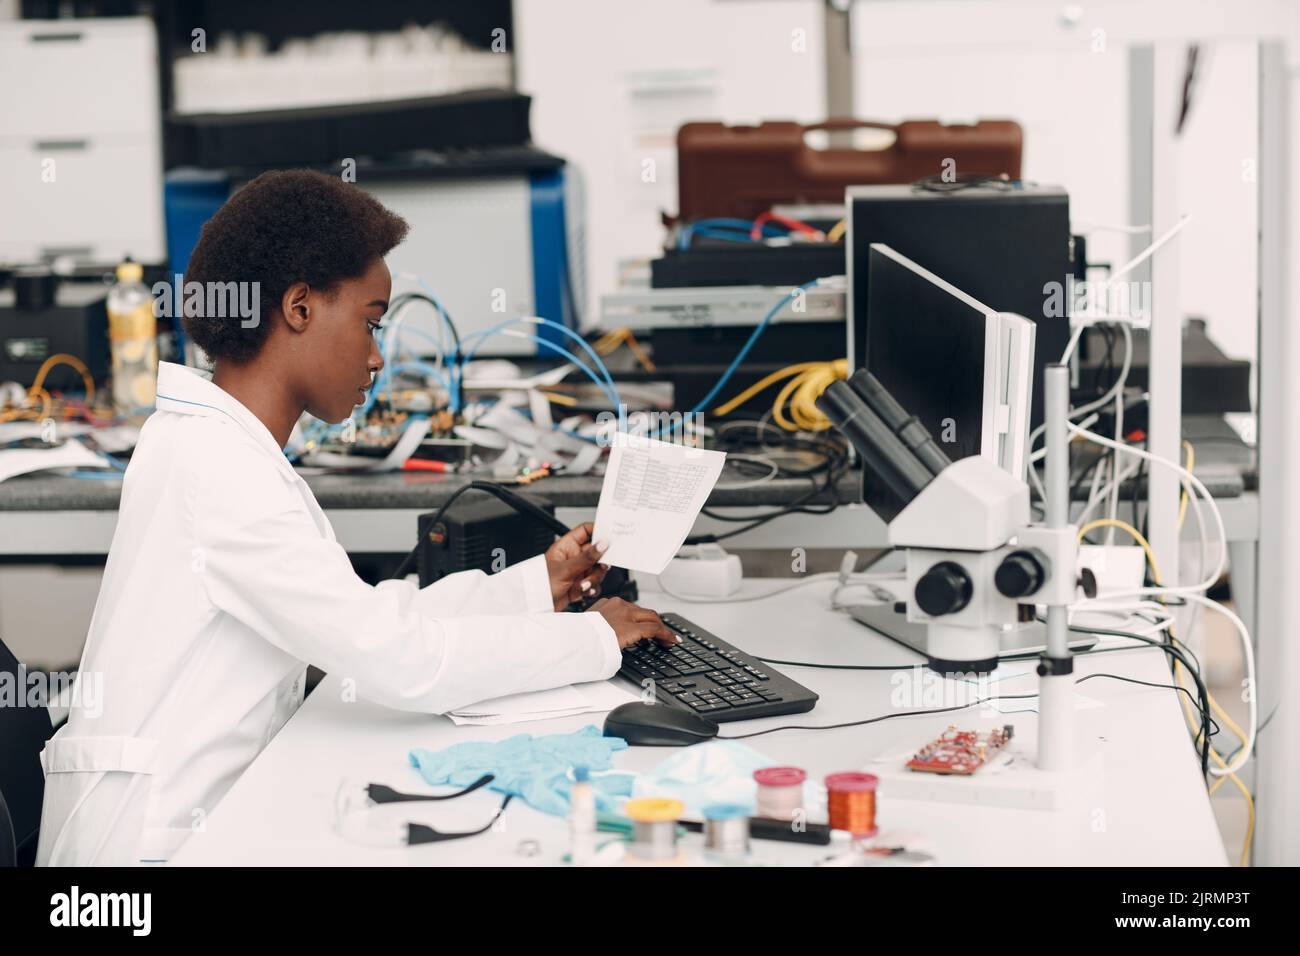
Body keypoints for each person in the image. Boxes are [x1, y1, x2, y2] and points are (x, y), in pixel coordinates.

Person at [37, 169, 676, 866]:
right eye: (371, 323)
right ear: (300, 308)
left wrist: (534, 589)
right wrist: (594, 640)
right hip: (141, 858)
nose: (377, 357)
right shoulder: (218, 467)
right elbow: (395, 659)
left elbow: (367, 620)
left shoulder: (219, 445)